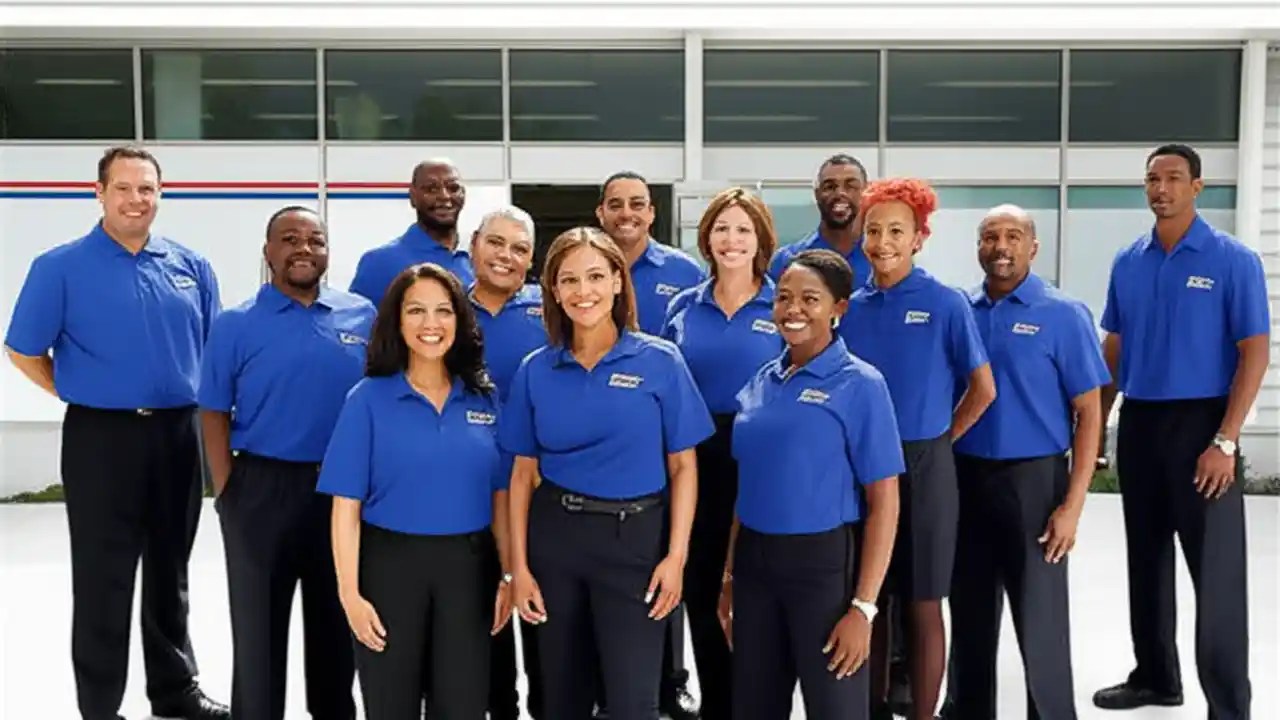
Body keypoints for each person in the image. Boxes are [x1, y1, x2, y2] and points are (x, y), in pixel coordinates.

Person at [4, 146, 228, 720]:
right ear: (99, 193)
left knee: (169, 570)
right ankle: (100, 707)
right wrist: (77, 390)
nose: (136, 199)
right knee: (103, 576)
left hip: (178, 436)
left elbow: (213, 352)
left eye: (147, 189)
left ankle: (175, 693)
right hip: (99, 439)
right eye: (124, 188)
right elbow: (23, 350)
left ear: (160, 195)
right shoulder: (59, 267)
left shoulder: (191, 266)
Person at [501, 227, 715, 720]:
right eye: (569, 280)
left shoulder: (661, 361)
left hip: (636, 543)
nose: (584, 291)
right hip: (556, 540)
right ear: (553, 290)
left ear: (619, 281)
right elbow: (520, 475)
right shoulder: (537, 369)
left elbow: (684, 467)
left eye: (596, 276)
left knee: (634, 702)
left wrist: (676, 557)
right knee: (562, 699)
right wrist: (519, 569)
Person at [1092, 144, 1267, 720]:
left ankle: (1229, 706)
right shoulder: (1127, 261)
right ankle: (1156, 678)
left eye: (1172, 178)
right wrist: (1096, 425)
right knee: (1145, 560)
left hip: (1204, 424)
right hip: (1140, 422)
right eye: (1151, 178)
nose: (1160, 187)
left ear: (1198, 186)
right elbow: (1113, 347)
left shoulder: (1231, 259)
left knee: (1215, 575)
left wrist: (1226, 439)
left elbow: (1254, 353)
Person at [318, 263, 513, 719]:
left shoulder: (484, 400)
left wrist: (506, 574)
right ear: (397, 321)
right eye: (417, 311)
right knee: (391, 705)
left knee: (463, 705)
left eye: (444, 311)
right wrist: (350, 594)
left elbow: (501, 495)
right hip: (390, 570)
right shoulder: (367, 400)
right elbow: (345, 506)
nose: (431, 324)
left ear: (460, 322)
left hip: (469, 570)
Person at [198, 206, 369, 720]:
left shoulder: (361, 315)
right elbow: (212, 410)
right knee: (258, 633)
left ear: (327, 252)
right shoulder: (235, 323)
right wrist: (228, 492)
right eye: (289, 239)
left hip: (339, 494)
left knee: (336, 629)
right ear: (268, 251)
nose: (303, 249)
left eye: (315, 240)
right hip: (261, 490)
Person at [719, 248, 903, 719]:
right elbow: (748, 487)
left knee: (835, 708)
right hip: (756, 566)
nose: (793, 309)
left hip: (823, 569)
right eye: (783, 298)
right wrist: (729, 578)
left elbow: (884, 501)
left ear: (839, 308)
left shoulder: (862, 384)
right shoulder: (762, 380)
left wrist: (863, 608)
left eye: (809, 299)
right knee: (755, 707)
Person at [838, 178, 996, 720]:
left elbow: (983, 389)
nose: (883, 241)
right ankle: (874, 707)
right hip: (863, 469)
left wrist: (940, 440)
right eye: (874, 229)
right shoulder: (851, 309)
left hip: (927, 467)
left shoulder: (944, 303)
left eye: (896, 231)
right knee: (870, 598)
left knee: (925, 601)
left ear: (919, 238)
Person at [949, 204, 1109, 720]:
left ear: (1032, 247)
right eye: (990, 236)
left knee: (1040, 621)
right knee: (970, 616)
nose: (1001, 247)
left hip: (1035, 482)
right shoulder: (959, 311)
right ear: (978, 247)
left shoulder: (1063, 314)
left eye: (1013, 236)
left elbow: (1090, 412)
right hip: (965, 478)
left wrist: (1073, 506)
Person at [659, 186, 784, 719]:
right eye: (721, 229)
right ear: (706, 238)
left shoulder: (783, 302)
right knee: (703, 590)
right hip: (697, 460)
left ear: (760, 239)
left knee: (757, 593)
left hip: (764, 459)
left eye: (743, 229)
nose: (731, 240)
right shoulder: (683, 307)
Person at [594, 171, 705, 719]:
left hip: (671, 428)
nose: (627, 213)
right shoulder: (589, 264)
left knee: (667, 557)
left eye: (637, 203)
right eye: (616, 204)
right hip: (619, 435)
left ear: (652, 213)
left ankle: (673, 679)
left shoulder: (683, 273)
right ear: (601, 213)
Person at [468, 205, 549, 720]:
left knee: (545, 623)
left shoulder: (553, 308)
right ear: (473, 244)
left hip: (539, 492)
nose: (506, 256)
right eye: (496, 242)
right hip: (468, 491)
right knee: (482, 623)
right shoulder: (444, 309)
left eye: (520, 248)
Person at [348, 159, 475, 307]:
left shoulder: (480, 259)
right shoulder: (379, 263)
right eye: (431, 189)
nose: (445, 196)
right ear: (413, 197)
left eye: (453, 188)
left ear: (463, 195)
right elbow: (357, 324)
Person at [767, 154, 872, 289]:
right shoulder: (787, 260)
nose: (840, 193)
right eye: (830, 187)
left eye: (850, 186)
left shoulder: (881, 258)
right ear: (817, 194)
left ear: (866, 192)